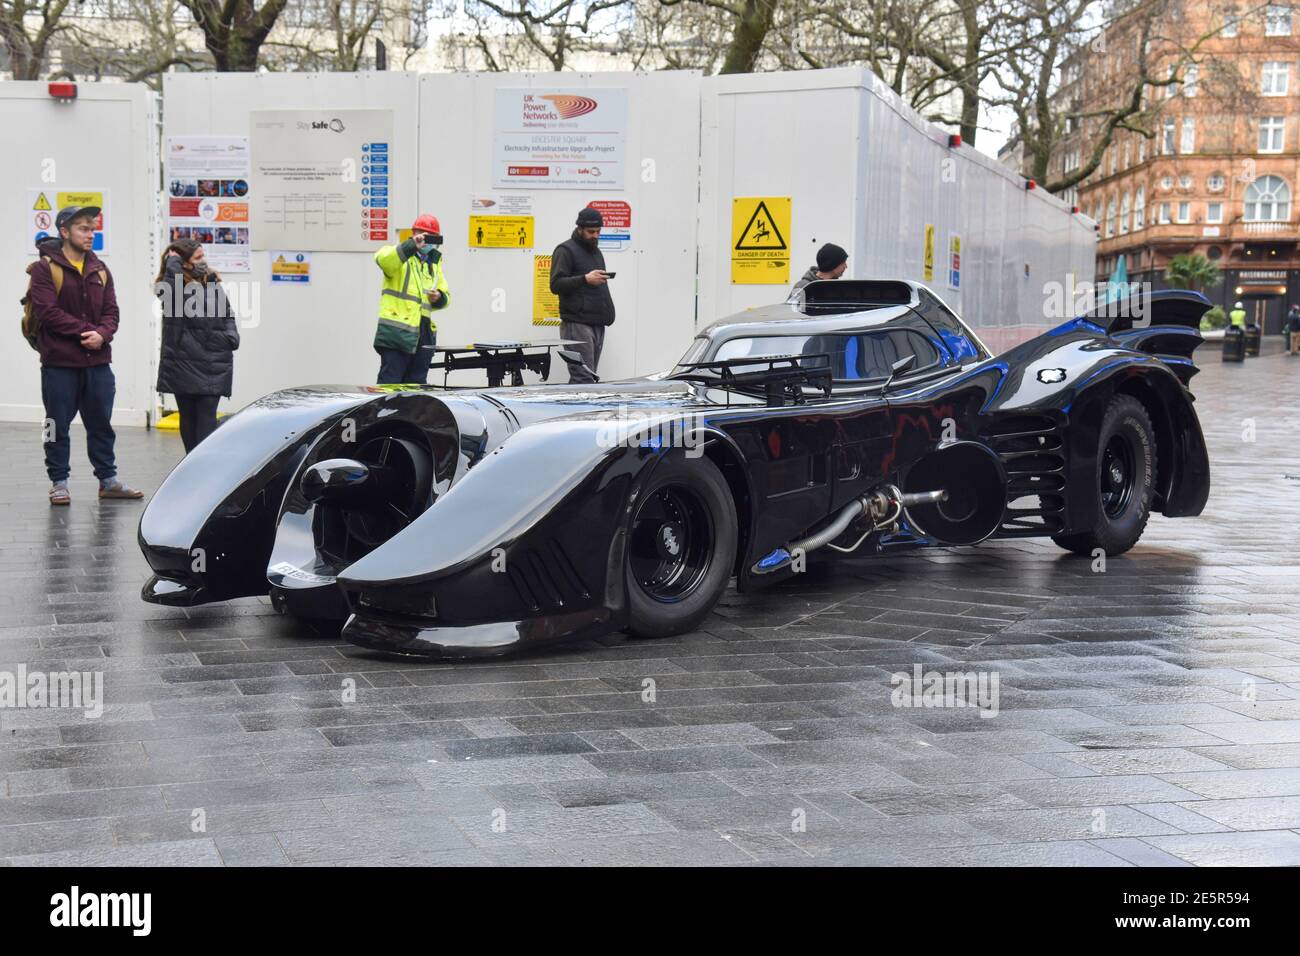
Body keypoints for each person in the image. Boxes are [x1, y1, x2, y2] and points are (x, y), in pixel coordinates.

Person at [27, 206, 143, 505]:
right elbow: (48, 313)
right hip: (60, 363)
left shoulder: (100, 270)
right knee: (56, 424)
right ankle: (59, 482)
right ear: (64, 231)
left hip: (98, 363)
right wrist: (87, 333)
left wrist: (103, 334)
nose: (90, 234)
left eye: (93, 229)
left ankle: (108, 480)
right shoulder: (43, 269)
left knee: (101, 424)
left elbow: (112, 312)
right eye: (83, 228)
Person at [155, 238, 240, 452]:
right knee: (188, 417)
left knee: (206, 417)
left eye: (203, 256)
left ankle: (204, 466)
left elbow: (227, 312)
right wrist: (172, 265)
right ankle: (190, 465)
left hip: (214, 359)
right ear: (183, 263)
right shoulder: (172, 287)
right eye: (198, 257)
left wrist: (232, 335)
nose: (203, 261)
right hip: (183, 361)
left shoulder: (210, 280)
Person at [373, 214, 450, 385]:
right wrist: (410, 246)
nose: (426, 241)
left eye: (431, 236)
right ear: (414, 233)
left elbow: (446, 296)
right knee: (390, 385)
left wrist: (438, 297)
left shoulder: (433, 263)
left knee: (416, 388)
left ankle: (412, 413)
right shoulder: (400, 256)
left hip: (423, 335)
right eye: (423, 235)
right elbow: (383, 260)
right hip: (397, 333)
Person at [550, 207, 615, 384]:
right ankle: (578, 411)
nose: (595, 235)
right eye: (591, 231)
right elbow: (555, 285)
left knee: (589, 376)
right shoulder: (565, 250)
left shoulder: (596, 251)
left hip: (597, 323)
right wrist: (585, 279)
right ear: (579, 229)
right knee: (583, 376)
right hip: (577, 323)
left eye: (598, 231)